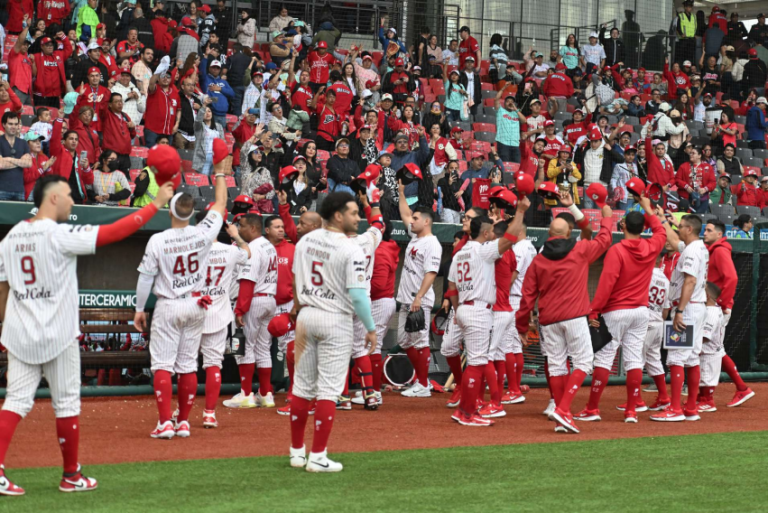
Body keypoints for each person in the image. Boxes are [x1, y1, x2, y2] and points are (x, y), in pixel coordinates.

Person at [0, 171, 174, 496]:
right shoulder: (58, 234)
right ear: (53, 197)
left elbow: (3, 290)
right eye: (68, 195)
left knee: (15, 402)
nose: (72, 200)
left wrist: (6, 332)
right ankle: (71, 475)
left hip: (20, 333)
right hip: (58, 333)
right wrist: (155, 205)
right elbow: (115, 231)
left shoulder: (10, 238)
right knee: (66, 404)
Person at [134, 145, 231, 440]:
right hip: (196, 304)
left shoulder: (158, 239)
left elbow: (145, 278)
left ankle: (166, 422)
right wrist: (219, 172)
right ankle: (184, 422)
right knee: (188, 365)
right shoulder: (203, 233)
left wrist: (139, 309)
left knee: (163, 365)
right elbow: (220, 203)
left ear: (170, 210)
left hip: (169, 304)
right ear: (189, 212)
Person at [287, 191, 376, 472]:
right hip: (336, 319)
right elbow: (358, 296)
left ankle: (296, 452)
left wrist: (298, 307)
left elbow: (294, 279)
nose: (358, 217)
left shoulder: (305, 240)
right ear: (338, 215)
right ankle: (318, 456)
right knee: (327, 391)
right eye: (353, 213)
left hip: (307, 314)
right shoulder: (351, 248)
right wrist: (371, 328)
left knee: (301, 388)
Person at [516, 193, 613, 434]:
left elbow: (527, 297)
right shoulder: (579, 250)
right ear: (569, 233)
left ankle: (562, 416)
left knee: (557, 366)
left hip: (549, 320)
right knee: (584, 362)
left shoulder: (539, 260)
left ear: (549, 234)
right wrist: (607, 218)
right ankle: (563, 409)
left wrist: (521, 327)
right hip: (574, 317)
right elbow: (604, 239)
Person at [578, 194, 666, 423]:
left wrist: (594, 309)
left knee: (604, 358)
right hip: (641, 311)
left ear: (624, 225)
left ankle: (592, 409)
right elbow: (661, 232)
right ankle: (631, 411)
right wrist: (648, 208)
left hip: (616, 311)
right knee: (634, 360)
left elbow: (606, 283)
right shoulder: (651, 246)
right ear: (643, 228)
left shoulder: (617, 250)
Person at [445, 200, 528, 426]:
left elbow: (451, 287)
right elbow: (510, 237)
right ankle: (468, 413)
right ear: (484, 232)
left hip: (464, 308)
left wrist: (457, 311)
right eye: (490, 230)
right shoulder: (483, 251)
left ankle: (463, 410)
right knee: (477, 363)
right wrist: (520, 211)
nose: (492, 233)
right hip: (479, 310)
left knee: (476, 362)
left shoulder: (460, 253)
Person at [650, 214, 708, 422]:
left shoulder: (692, 250)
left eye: (681, 226)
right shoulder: (698, 247)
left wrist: (680, 311)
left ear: (689, 229)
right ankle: (690, 407)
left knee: (676, 358)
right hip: (698, 307)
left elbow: (690, 281)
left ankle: (674, 408)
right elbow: (675, 241)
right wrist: (661, 219)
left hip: (688, 308)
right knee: (692, 359)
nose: (678, 229)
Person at [395, 180, 443, 398]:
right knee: (404, 341)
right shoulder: (415, 236)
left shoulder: (432, 243)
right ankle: (421, 380)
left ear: (426, 221)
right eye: (413, 219)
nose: (412, 221)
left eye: (416, 219)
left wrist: (419, 298)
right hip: (407, 299)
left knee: (420, 341)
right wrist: (401, 193)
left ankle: (423, 384)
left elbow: (431, 273)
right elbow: (405, 214)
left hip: (418, 300)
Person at [144, 67, 181, 147]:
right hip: (153, 130)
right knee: (152, 153)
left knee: (165, 154)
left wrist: (177, 124)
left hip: (169, 131)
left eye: (168, 77)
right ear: (158, 79)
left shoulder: (175, 94)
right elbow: (151, 83)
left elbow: (178, 110)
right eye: (163, 76)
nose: (165, 78)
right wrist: (158, 71)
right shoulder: (155, 89)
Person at [0, 112, 33, 201]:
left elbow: (28, 163)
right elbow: (1, 165)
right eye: (10, 124)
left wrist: (8, 159)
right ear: (4, 124)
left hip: (19, 190)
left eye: (16, 124)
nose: (14, 126)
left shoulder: (23, 143)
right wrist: (20, 162)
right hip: (2, 189)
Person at [674, 147, 716, 213]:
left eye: (693, 153)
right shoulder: (683, 166)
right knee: (686, 217)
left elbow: (713, 182)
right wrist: (686, 186)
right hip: (686, 197)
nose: (691, 155)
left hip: (702, 198)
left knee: (699, 217)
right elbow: (677, 179)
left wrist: (705, 189)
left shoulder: (708, 167)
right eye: (690, 153)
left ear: (699, 155)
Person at [200, 54, 234, 128]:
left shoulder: (223, 82)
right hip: (212, 114)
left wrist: (220, 89)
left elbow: (232, 93)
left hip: (223, 115)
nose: (215, 69)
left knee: (221, 134)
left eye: (217, 68)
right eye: (213, 67)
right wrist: (205, 57)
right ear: (209, 68)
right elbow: (202, 71)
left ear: (220, 70)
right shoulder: (205, 79)